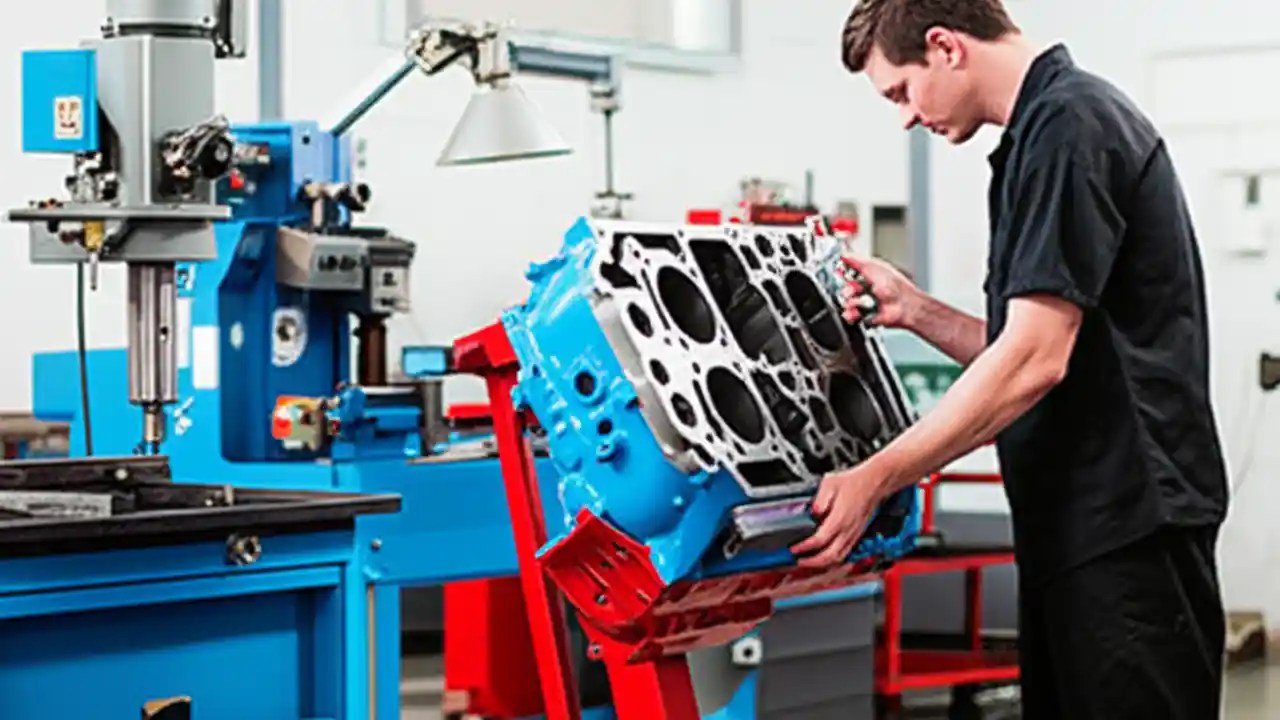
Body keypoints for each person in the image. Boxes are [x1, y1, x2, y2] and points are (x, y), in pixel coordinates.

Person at [789, 1, 1230, 717]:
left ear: (945, 47)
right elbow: (1038, 345)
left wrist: (879, 473)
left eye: (901, 91)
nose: (905, 119)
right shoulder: (1042, 134)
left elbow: (1033, 362)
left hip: (1127, 530)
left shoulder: (1070, 127)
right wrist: (915, 308)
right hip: (1081, 526)